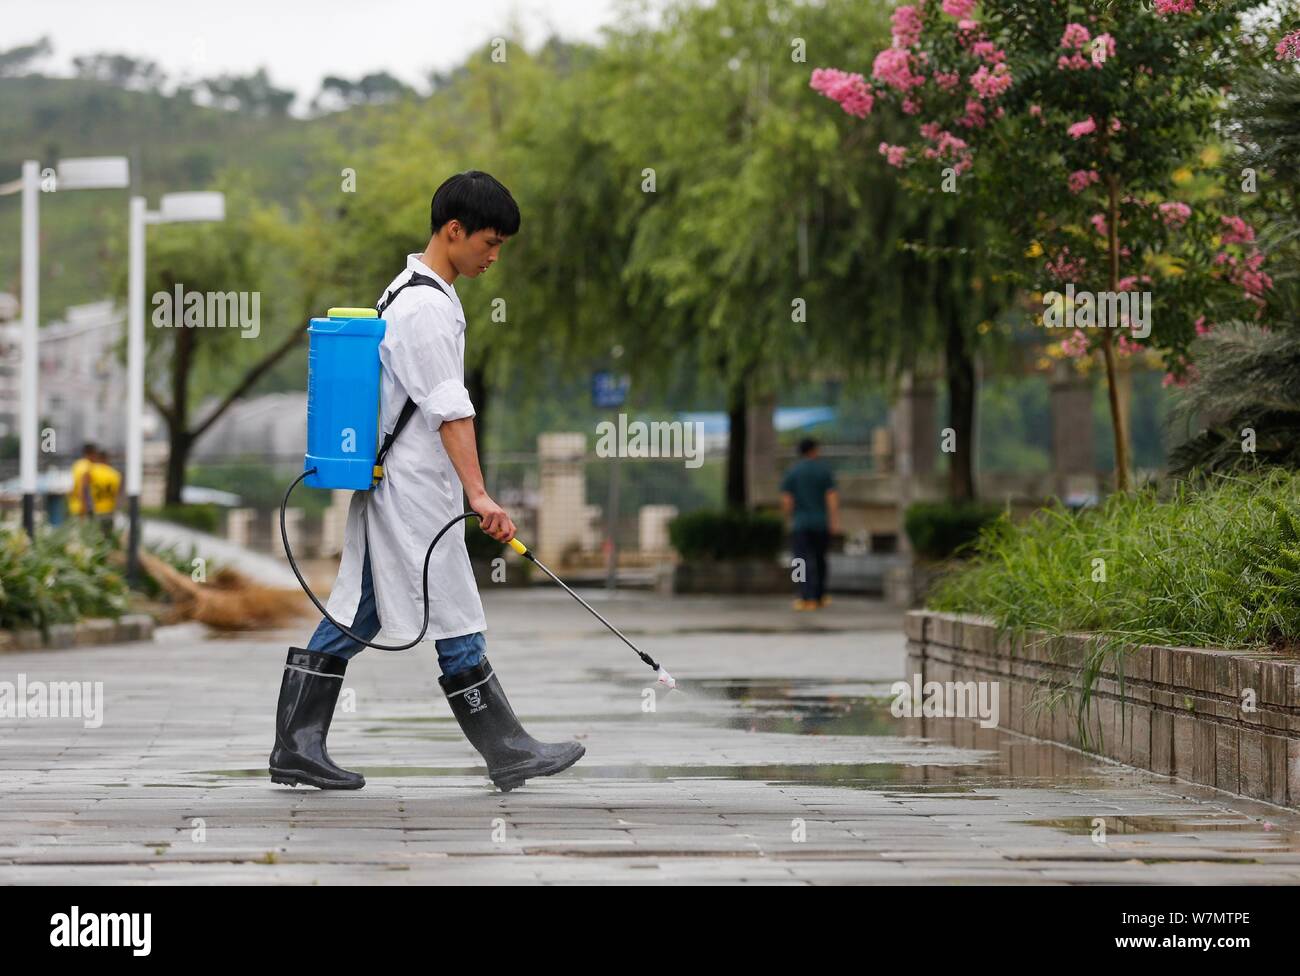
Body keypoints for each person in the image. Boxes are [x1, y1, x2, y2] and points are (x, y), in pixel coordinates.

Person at [269, 171, 585, 792]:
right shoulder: (424, 307)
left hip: (406, 487)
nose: (495, 256)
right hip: (410, 491)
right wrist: (480, 495)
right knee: (437, 607)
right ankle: (505, 748)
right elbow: (449, 408)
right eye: (489, 243)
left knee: (365, 611)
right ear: (454, 230)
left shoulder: (413, 292)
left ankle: (298, 745)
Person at [780, 437, 840, 611]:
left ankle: (804, 596)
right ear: (814, 450)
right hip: (821, 523)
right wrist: (834, 520)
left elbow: (787, 499)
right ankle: (820, 595)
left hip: (800, 524)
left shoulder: (792, 472)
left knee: (800, 561)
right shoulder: (823, 471)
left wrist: (789, 518)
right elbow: (832, 498)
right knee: (820, 559)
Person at [88, 448, 121, 538]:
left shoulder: (92, 471)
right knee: (108, 535)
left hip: (95, 510)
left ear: (98, 458)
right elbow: (117, 494)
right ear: (107, 459)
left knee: (94, 536)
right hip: (109, 510)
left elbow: (84, 489)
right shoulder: (115, 474)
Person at [67, 443, 97, 523]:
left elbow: (71, 487)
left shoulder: (76, 465)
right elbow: (84, 488)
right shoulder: (90, 467)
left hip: (73, 507)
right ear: (93, 453)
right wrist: (84, 508)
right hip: (84, 509)